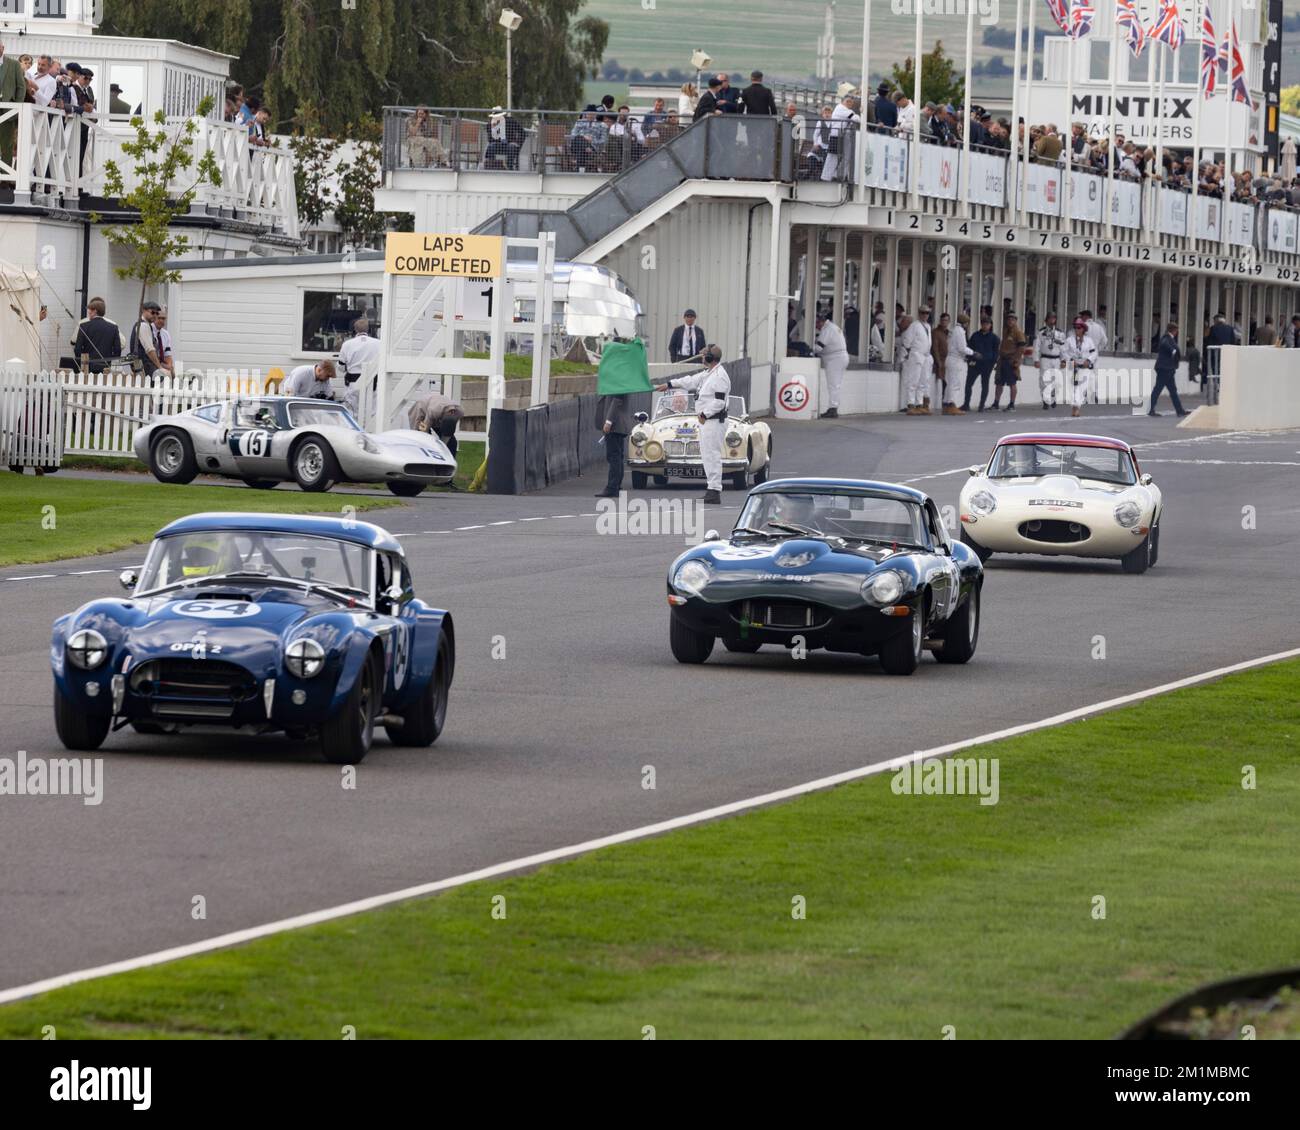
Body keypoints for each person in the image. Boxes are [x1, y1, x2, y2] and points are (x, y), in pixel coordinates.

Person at [653, 345, 730, 504]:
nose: (702, 358)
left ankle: (714, 490)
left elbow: (719, 402)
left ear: (710, 358)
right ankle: (712, 489)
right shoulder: (708, 374)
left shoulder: (720, 376)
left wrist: (704, 413)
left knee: (712, 455)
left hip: (713, 420)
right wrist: (670, 384)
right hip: (707, 421)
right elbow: (689, 380)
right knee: (707, 455)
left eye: (704, 356)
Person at [337, 317, 380, 411]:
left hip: (353, 381)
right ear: (368, 329)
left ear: (355, 329)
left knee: (352, 410)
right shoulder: (378, 343)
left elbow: (341, 366)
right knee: (371, 410)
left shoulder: (347, 344)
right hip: (373, 382)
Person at [595, 390, 632, 498]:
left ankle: (612, 487)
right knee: (617, 456)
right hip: (618, 424)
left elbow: (616, 401)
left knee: (614, 457)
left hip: (615, 424)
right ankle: (616, 486)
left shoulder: (618, 381)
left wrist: (608, 421)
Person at [71, 297, 122, 373]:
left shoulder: (83, 326)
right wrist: (111, 364)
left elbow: (77, 349)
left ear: (95, 311)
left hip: (88, 367)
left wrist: (83, 364)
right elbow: (117, 350)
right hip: (106, 367)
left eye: (89, 312)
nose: (89, 314)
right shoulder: (113, 327)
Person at [814, 310, 849, 419]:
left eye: (816, 324)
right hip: (839, 357)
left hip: (835, 359)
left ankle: (833, 408)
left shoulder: (827, 329)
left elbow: (819, 347)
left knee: (833, 384)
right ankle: (833, 407)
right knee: (835, 384)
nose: (816, 327)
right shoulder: (833, 327)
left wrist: (810, 350)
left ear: (820, 322)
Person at [1149, 322, 1189, 417]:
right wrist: (1173, 350)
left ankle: (1179, 410)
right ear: (1174, 330)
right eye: (1177, 331)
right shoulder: (1166, 338)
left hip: (1168, 369)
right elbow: (1164, 344)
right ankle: (1150, 410)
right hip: (1165, 369)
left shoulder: (1169, 338)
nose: (1177, 332)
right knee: (1158, 389)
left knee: (1172, 391)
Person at [899, 307, 933, 416]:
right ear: (919, 314)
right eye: (923, 313)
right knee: (913, 380)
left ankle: (919, 404)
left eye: (927, 313)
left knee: (923, 381)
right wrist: (911, 351)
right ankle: (910, 404)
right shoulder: (914, 325)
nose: (925, 315)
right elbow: (907, 341)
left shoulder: (928, 326)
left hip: (925, 355)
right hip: (916, 354)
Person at [408, 391, 464, 456]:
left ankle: (449, 463)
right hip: (421, 409)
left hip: (439, 410)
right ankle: (421, 461)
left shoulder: (460, 412)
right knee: (421, 438)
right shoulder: (434, 410)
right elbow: (424, 430)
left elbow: (449, 431)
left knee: (452, 442)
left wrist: (443, 447)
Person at [1063, 318, 1099, 418]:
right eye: (1075, 327)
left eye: (1079, 327)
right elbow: (1063, 352)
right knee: (1071, 387)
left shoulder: (1089, 340)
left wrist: (1089, 360)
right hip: (1072, 364)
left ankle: (1077, 407)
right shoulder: (1069, 340)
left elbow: (1094, 352)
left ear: (1083, 329)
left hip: (1084, 365)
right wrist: (1070, 360)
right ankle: (1073, 406)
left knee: (1081, 387)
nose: (1077, 329)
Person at [821, 92, 860, 183]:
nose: (849, 103)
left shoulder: (844, 109)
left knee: (844, 157)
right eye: (848, 101)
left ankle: (837, 175)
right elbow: (856, 118)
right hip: (836, 135)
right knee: (832, 157)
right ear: (843, 101)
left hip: (840, 135)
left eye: (851, 102)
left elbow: (854, 117)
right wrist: (858, 113)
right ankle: (826, 177)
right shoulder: (841, 108)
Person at [992, 314, 1026, 411]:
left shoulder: (1018, 332)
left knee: (1012, 383)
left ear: (1015, 321)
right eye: (1009, 319)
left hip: (1011, 360)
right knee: (999, 382)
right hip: (1002, 359)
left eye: (1012, 320)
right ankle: (996, 403)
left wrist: (1016, 360)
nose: (1010, 321)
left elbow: (1021, 347)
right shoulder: (1006, 331)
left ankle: (1012, 404)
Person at [1034, 312, 1066, 410]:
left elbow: (1063, 347)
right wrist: (1036, 359)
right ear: (1046, 320)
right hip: (1045, 358)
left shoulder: (1060, 333)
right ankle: (1045, 400)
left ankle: (1053, 397)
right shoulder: (1041, 332)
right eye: (1050, 318)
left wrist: (1064, 360)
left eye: (1053, 318)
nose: (1052, 320)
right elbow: (1036, 347)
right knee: (1044, 380)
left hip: (1056, 359)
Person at [943, 313, 974, 415]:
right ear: (965, 323)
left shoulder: (953, 330)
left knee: (949, 382)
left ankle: (946, 404)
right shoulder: (960, 331)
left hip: (949, 358)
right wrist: (973, 353)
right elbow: (962, 348)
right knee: (955, 383)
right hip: (956, 359)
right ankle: (952, 404)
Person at [128, 301, 164, 380]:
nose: (155, 315)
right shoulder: (143, 326)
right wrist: (160, 368)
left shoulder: (147, 326)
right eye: (152, 312)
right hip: (145, 367)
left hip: (144, 366)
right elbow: (150, 350)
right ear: (143, 310)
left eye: (157, 313)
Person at [154, 309, 175, 374]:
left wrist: (169, 366)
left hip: (162, 363)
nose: (161, 320)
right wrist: (162, 366)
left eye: (163, 318)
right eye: (159, 318)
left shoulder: (166, 334)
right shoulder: (149, 331)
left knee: (172, 371)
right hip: (152, 362)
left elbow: (167, 354)